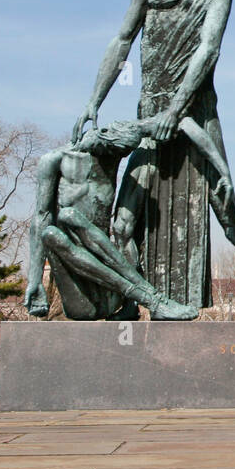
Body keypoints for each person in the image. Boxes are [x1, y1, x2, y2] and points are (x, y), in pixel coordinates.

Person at [72, 0, 235, 320]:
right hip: (150, 112)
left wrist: (176, 107)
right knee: (123, 222)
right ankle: (128, 304)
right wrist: (93, 102)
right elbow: (121, 40)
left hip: (195, 111)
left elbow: (209, 46)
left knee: (227, 213)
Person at [26, 119, 209, 321]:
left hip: (110, 279)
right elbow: (41, 217)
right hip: (81, 297)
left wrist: (177, 113)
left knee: (117, 226)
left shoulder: (112, 152)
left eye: (121, 155)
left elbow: (177, 120)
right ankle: (153, 300)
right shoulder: (53, 160)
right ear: (103, 135)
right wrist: (34, 281)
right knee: (55, 228)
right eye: (114, 152)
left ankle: (137, 303)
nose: (115, 159)